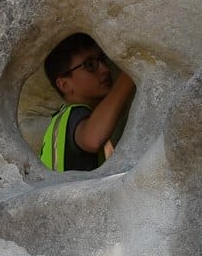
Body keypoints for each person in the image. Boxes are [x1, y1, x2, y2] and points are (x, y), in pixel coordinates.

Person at [40, 32, 137, 172]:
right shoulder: (73, 115)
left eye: (103, 60)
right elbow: (93, 139)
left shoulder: (59, 123)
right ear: (64, 85)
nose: (104, 69)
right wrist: (132, 72)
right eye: (90, 65)